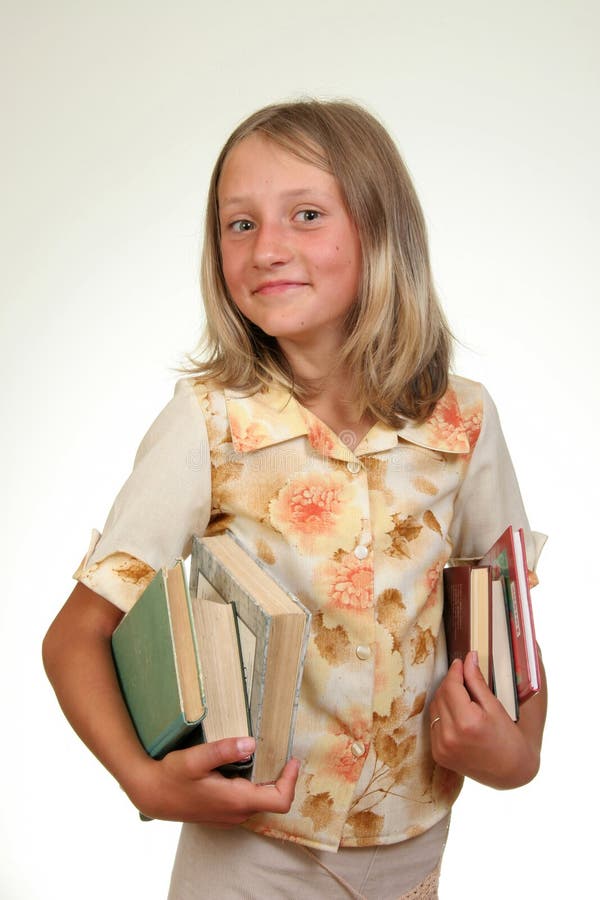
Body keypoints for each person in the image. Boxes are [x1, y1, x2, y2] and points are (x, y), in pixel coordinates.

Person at [43, 100, 547, 899]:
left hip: (414, 849)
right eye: (238, 224)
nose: (267, 248)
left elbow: (507, 626)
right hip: (250, 855)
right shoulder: (209, 423)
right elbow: (77, 634)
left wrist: (519, 756)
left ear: (380, 230)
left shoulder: (463, 421)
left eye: (306, 215)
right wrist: (146, 781)